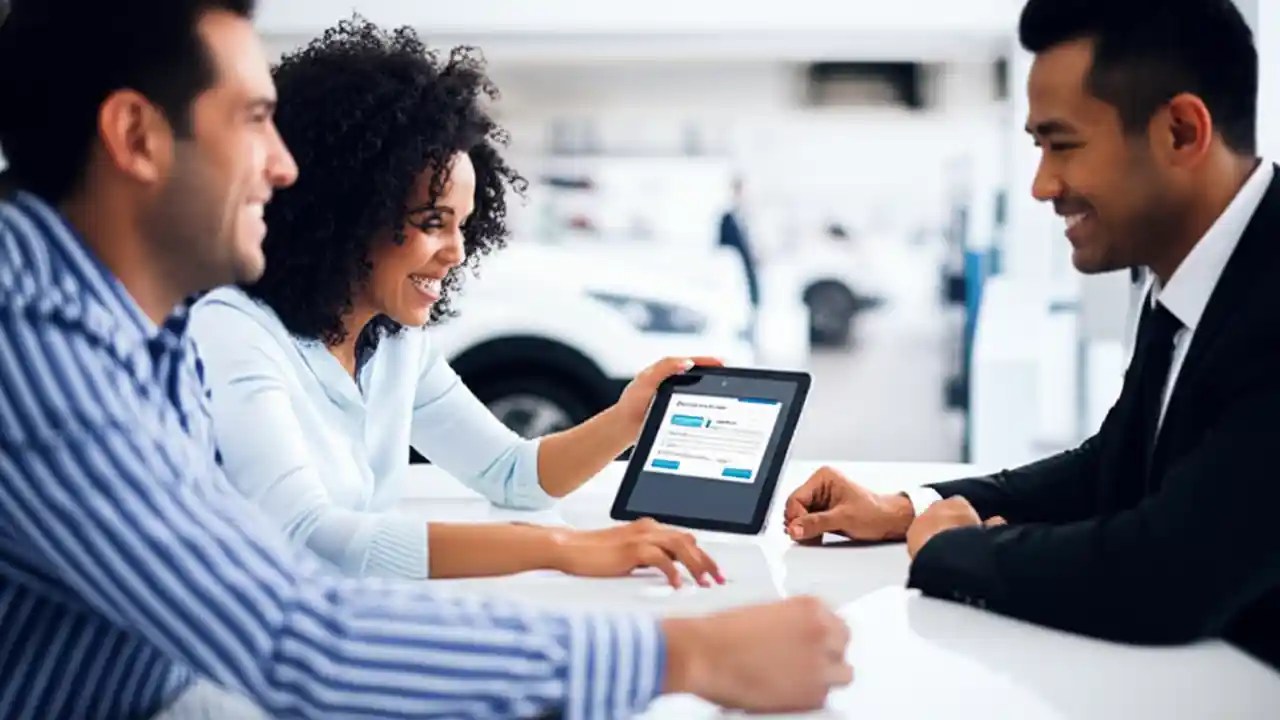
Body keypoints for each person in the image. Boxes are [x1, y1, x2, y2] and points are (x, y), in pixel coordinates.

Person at [0, 2, 853, 717]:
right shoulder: (42, 349)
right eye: (253, 122)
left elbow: (248, 592)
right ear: (136, 136)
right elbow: (293, 629)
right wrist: (687, 653)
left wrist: (628, 419)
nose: (281, 166)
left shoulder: (133, 333)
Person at [784, 0, 1280, 668]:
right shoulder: (1187, 283)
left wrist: (952, 550)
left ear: (1182, 132)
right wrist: (910, 508)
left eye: (1063, 144)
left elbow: (1168, 574)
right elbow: (1113, 467)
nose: (1043, 185)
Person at [186, 19, 726, 586]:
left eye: (463, 225)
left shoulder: (392, 345)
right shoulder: (233, 333)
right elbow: (311, 536)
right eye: (431, 222)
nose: (457, 252)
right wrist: (562, 547)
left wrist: (627, 418)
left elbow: (511, 472)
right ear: (343, 214)